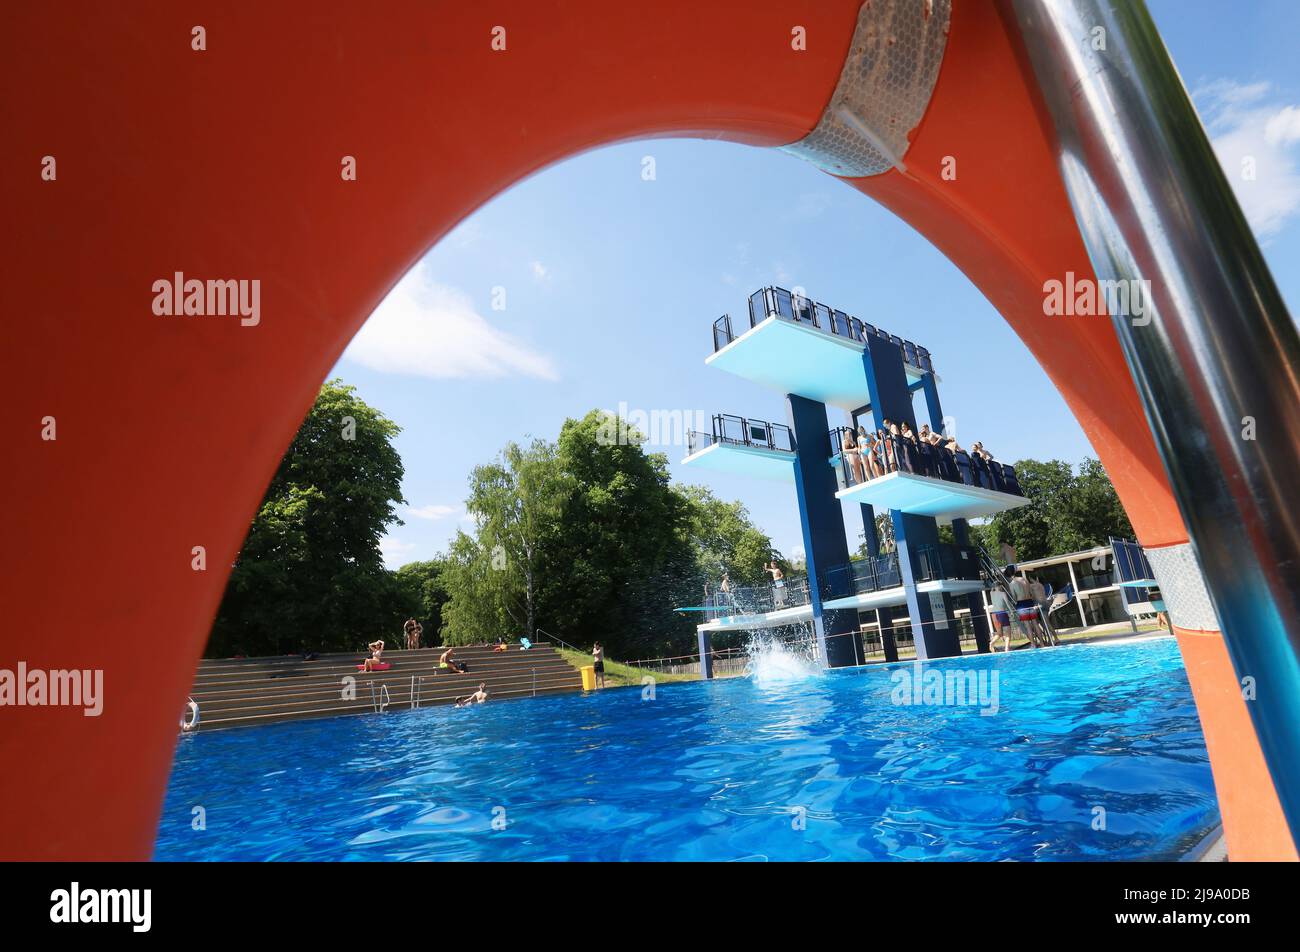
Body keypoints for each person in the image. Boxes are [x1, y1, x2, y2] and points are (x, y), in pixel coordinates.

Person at [1008, 567, 1045, 647]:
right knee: (1035, 624)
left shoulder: (1012, 584)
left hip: (1021, 604)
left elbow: (1014, 597)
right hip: (1030, 602)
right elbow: (1030, 592)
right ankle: (1042, 643)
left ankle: (1033, 644)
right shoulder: (1024, 579)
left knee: (1028, 626)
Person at [989, 587, 1016, 652]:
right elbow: (1007, 603)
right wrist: (1012, 612)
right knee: (1008, 633)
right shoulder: (1002, 593)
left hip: (994, 615)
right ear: (1000, 586)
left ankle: (992, 642)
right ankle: (1006, 649)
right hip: (1002, 613)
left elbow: (992, 589)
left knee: (999, 633)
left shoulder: (991, 593)